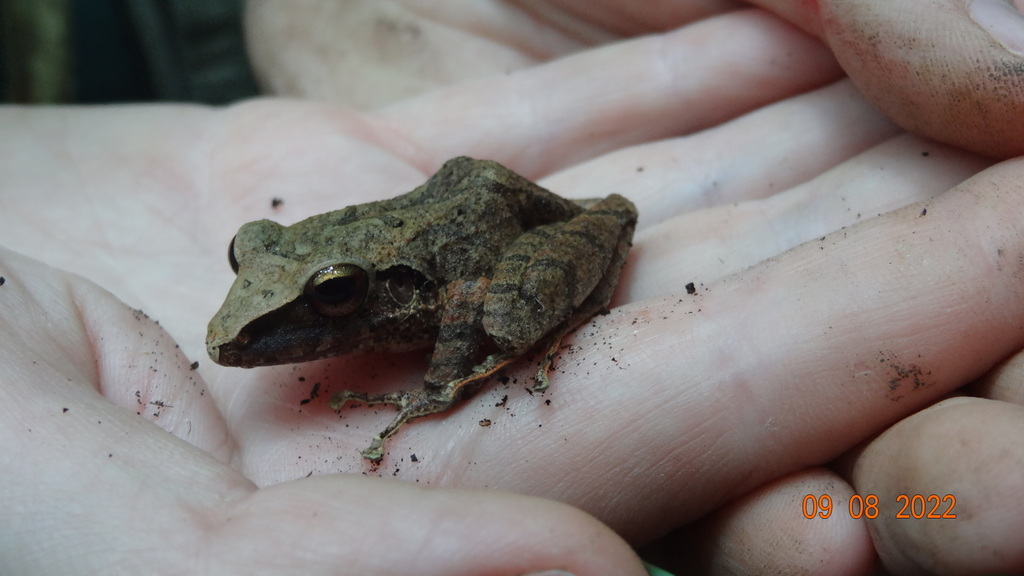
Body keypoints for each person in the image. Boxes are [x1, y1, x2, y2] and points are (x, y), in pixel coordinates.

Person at [2, 1, 1021, 574]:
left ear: (345, 293)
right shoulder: (299, 290)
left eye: (326, 298)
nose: (244, 336)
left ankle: (551, 309)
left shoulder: (395, 297)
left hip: (477, 238)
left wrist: (441, 384)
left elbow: (451, 303)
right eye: (250, 265)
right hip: (463, 200)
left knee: (487, 309)